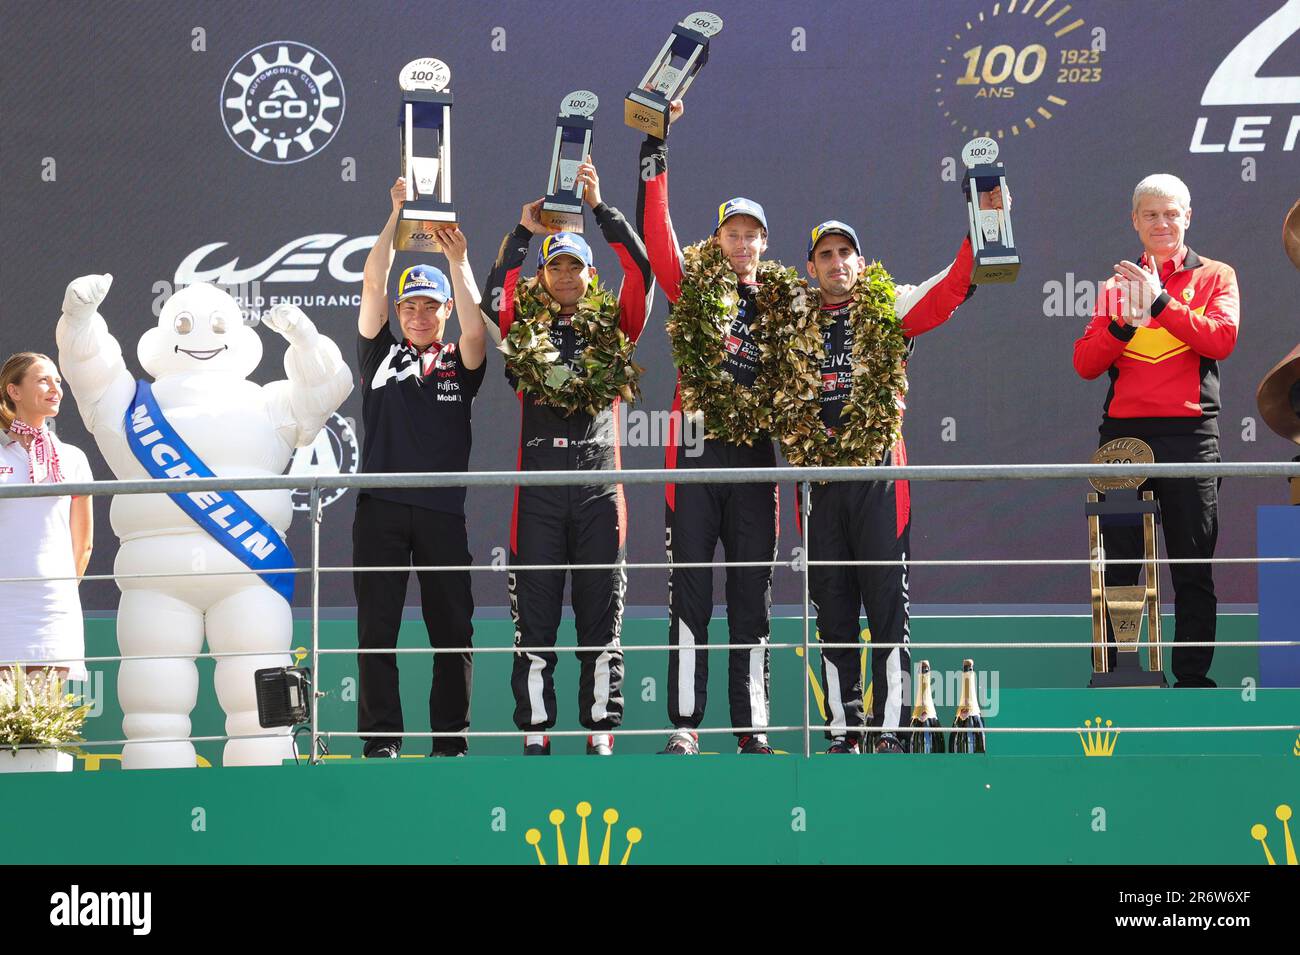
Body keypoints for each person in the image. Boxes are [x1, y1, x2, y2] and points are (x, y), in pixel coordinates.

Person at [791, 209, 1002, 753]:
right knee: (832, 611)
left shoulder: (889, 305)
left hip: (881, 478)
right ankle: (843, 732)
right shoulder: (788, 319)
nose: (836, 263)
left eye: (845, 253)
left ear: (861, 262)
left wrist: (981, 222)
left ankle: (890, 730)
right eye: (825, 255)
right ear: (811, 268)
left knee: (888, 607)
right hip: (817, 482)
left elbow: (948, 289)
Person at [479, 157, 654, 756]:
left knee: (602, 619)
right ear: (544, 273)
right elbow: (493, 297)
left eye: (575, 266)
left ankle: (601, 731)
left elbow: (642, 271)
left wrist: (600, 208)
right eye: (555, 265)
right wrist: (523, 233)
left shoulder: (617, 326)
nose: (565, 276)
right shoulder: (521, 330)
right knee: (535, 620)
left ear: (589, 273)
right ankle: (536, 733)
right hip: (539, 496)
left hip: (602, 492)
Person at [637, 101, 785, 755]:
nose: (742, 243)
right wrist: (655, 148)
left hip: (754, 462)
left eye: (752, 234)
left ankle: (752, 727)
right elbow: (657, 235)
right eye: (732, 233)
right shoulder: (691, 288)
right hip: (694, 459)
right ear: (718, 240)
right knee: (690, 597)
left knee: (752, 598)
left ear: (764, 244)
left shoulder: (787, 304)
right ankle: (685, 724)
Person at [1073, 173, 1238, 688]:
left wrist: (1161, 303)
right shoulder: (1116, 286)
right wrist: (1125, 322)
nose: (1161, 223)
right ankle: (1118, 674)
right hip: (1124, 437)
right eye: (1151, 214)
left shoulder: (1216, 275)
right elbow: (1085, 363)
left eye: (1171, 213)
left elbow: (1221, 340)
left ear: (1188, 217)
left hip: (1191, 435)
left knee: (1192, 562)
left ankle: (1192, 679)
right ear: (1135, 221)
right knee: (1119, 565)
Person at [354, 178, 488, 757]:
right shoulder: (378, 351)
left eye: (430, 306)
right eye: (409, 305)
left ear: (444, 310)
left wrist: (458, 261)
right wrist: (393, 216)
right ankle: (382, 740)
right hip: (380, 507)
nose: (418, 315)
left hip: (441, 509)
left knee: (453, 628)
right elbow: (372, 282)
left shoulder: (460, 358)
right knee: (377, 628)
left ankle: (450, 743)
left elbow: (477, 329)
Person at [0, 352, 93, 685]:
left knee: (45, 712)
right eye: (43, 380)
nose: (55, 389)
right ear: (14, 391)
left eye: (58, 381)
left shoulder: (73, 458)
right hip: (4, 602)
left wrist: (60, 589)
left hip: (53, 606)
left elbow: (83, 543)